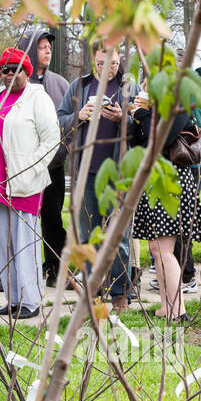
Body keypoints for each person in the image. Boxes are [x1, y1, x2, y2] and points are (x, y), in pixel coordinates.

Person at [0, 48, 60, 320]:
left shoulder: (37, 98)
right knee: (1, 244)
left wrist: (31, 167)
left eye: (15, 69)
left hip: (22, 182)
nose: (9, 74)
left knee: (24, 242)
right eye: (4, 69)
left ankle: (31, 300)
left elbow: (51, 139)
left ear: (26, 71)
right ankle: (13, 298)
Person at [56, 43, 140, 312]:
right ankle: (93, 290)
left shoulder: (129, 86)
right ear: (94, 61)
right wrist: (78, 116)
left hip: (119, 171)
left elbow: (144, 124)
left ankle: (120, 292)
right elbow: (59, 119)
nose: (107, 70)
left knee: (119, 234)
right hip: (86, 170)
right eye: (102, 64)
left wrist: (122, 117)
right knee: (88, 233)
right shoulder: (79, 87)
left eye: (113, 64)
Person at [127, 98, 201, 321]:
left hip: (172, 181)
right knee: (157, 248)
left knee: (164, 250)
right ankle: (166, 305)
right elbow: (144, 147)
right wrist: (133, 120)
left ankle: (177, 310)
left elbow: (163, 139)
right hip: (155, 180)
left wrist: (142, 114)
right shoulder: (155, 113)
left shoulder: (178, 105)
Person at [18, 27, 71, 286]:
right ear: (28, 49)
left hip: (52, 166)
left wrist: (61, 151)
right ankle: (9, 271)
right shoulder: (16, 82)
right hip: (21, 167)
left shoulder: (61, 84)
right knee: (19, 221)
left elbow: (69, 123)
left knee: (53, 220)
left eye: (50, 45)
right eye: (41, 46)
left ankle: (55, 269)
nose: (48, 49)